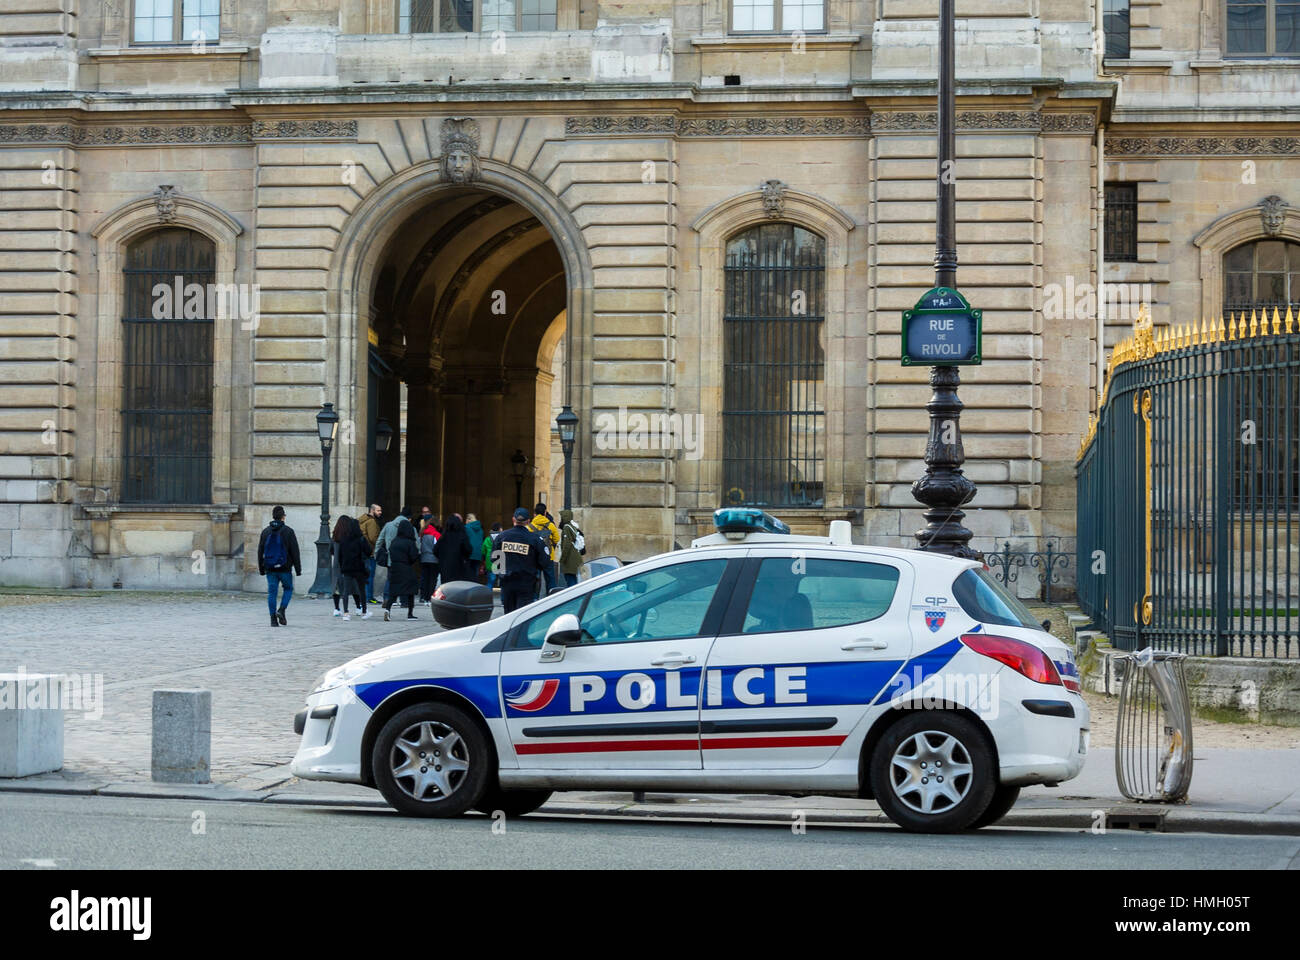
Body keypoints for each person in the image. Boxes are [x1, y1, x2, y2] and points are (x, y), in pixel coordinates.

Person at [497, 507, 548, 613]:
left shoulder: (501, 537)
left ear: (513, 520)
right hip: (526, 583)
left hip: (507, 583)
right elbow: (544, 562)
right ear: (528, 521)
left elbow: (494, 560)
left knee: (508, 615)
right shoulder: (535, 539)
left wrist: (501, 575)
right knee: (522, 617)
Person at [257, 505, 301, 627]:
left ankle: (273, 620)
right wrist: (298, 569)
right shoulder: (288, 531)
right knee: (288, 589)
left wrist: (261, 569)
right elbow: (295, 551)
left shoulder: (265, 531)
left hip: (270, 568)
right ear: (283, 517)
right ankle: (281, 610)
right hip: (285, 568)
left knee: (272, 593)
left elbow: (260, 551)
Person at [333, 516, 372, 621]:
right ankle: (364, 611)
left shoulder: (344, 540)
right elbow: (368, 551)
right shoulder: (361, 539)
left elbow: (340, 555)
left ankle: (346, 613)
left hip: (347, 567)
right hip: (358, 567)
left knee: (345, 591)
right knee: (361, 590)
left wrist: (342, 565)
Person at [383, 516, 421, 621]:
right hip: (406, 568)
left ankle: (387, 610)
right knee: (411, 590)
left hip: (395, 567)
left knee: (394, 591)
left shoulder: (395, 541)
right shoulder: (409, 542)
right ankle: (410, 613)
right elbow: (413, 556)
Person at [376, 506, 411, 607]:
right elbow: (415, 543)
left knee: (390, 578)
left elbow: (380, 540)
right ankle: (404, 601)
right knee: (404, 579)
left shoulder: (388, 525)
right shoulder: (409, 526)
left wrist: (376, 553)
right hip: (404, 559)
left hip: (390, 557)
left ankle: (387, 598)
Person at [529, 502, 561, 597]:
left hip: (534, 558)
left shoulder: (529, 527)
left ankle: (534, 599)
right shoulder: (551, 526)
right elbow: (557, 539)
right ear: (545, 513)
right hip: (548, 557)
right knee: (550, 580)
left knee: (534, 579)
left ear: (534, 514)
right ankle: (551, 598)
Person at [433, 512, 474, 583]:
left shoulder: (443, 537)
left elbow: (435, 550)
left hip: (445, 569)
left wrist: (442, 559)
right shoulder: (462, 536)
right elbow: (468, 550)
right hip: (459, 569)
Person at [357, 503, 383, 604]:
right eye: (378, 510)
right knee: (370, 575)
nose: (380, 512)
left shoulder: (362, 520)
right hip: (370, 552)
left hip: (362, 552)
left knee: (364, 575)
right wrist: (380, 544)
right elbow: (373, 538)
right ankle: (369, 597)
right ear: (372, 511)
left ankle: (363, 596)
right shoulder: (371, 521)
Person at [559, 509, 585, 588]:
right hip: (575, 558)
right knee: (574, 580)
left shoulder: (566, 528)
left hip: (570, 560)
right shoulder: (572, 526)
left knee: (570, 582)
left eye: (562, 517)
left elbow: (567, 545)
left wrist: (562, 559)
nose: (561, 519)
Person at [418, 516, 440, 603]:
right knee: (432, 579)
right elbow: (437, 547)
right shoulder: (436, 534)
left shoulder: (422, 533)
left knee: (425, 578)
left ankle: (423, 596)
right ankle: (430, 597)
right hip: (434, 559)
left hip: (424, 558)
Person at [464, 513, 485, 580]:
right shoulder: (481, 530)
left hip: (469, 553)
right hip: (478, 554)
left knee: (467, 574)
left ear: (468, 519)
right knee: (475, 574)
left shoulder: (466, 528)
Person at [484, 522, 502, 590]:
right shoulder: (502, 538)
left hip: (490, 562)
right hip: (500, 561)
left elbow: (483, 550)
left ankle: (487, 596)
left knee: (491, 581)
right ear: (500, 529)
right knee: (502, 581)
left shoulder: (487, 539)